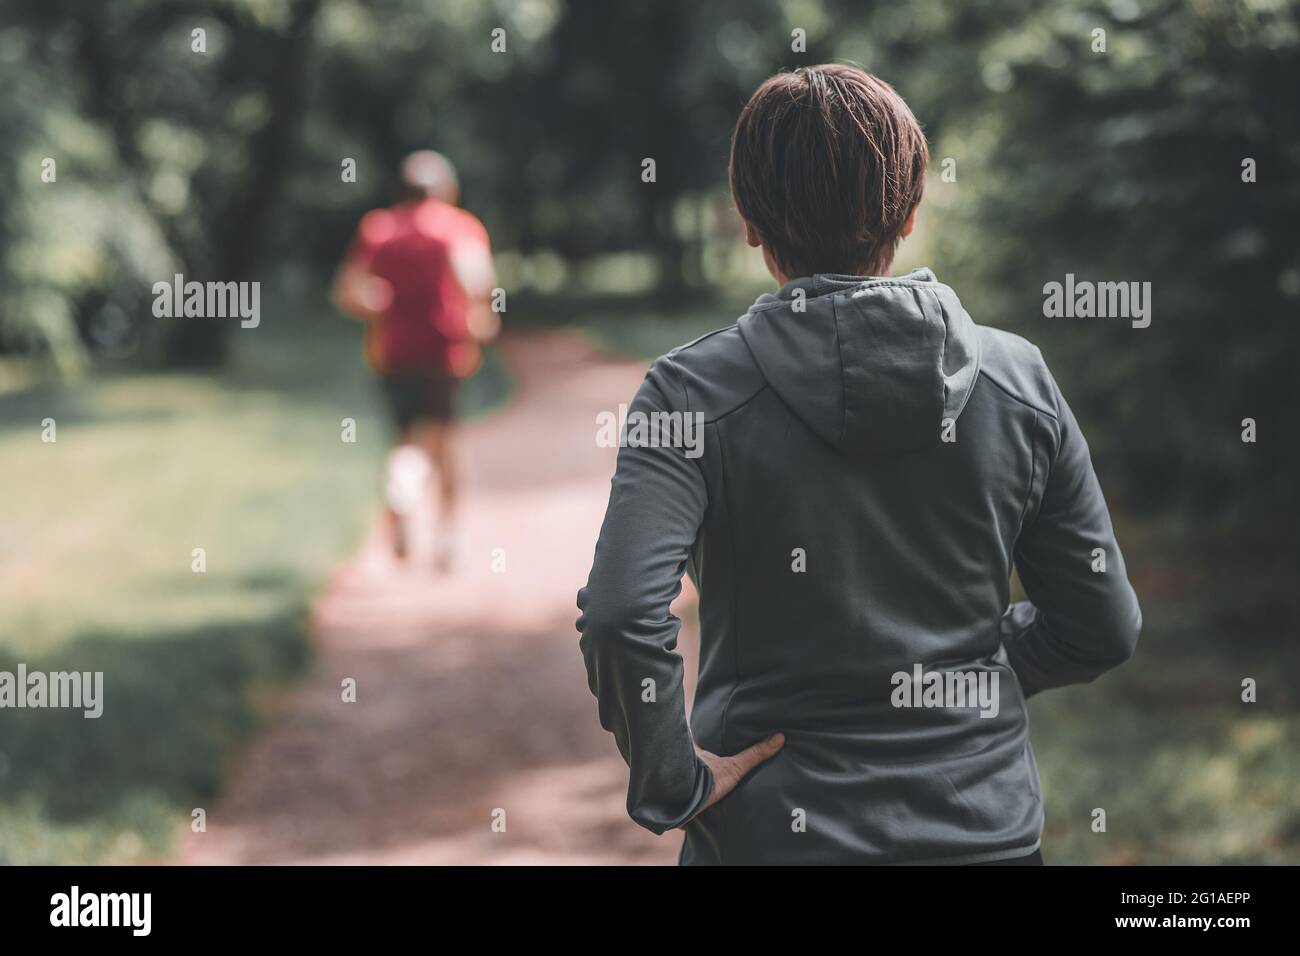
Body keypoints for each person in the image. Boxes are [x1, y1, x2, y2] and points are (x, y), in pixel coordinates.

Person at [576, 65, 1141, 865]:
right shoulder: (1020, 382)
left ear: (748, 221)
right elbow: (1103, 625)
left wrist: (676, 782)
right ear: (910, 214)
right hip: (984, 838)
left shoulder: (691, 394)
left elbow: (620, 614)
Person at [334, 151, 498, 568]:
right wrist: (481, 316)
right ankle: (446, 538)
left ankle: (400, 493)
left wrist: (377, 303)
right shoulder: (457, 228)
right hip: (444, 351)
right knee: (442, 443)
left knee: (405, 438)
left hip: (393, 352)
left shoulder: (379, 229)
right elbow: (476, 280)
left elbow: (348, 292)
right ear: (446, 188)